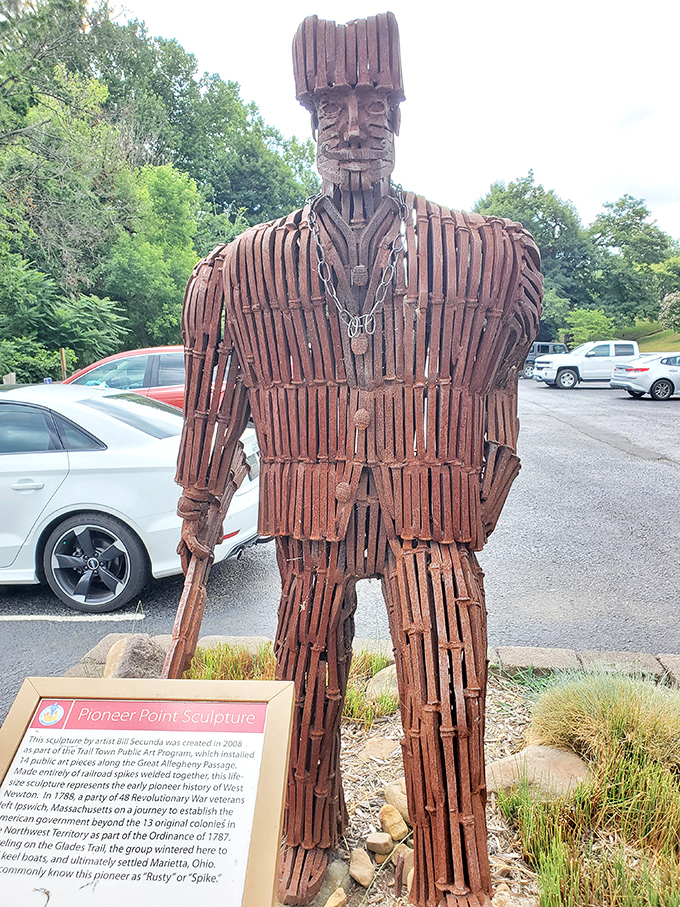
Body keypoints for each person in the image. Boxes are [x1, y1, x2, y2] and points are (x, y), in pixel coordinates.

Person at [163, 13, 542, 907]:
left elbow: (500, 385)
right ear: (308, 118)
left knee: (447, 682)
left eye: (373, 100)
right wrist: (199, 499)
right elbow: (218, 394)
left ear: (399, 112)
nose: (354, 122)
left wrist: (485, 490)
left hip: (432, 510)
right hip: (310, 510)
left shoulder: (484, 253)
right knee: (304, 675)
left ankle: (451, 865)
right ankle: (304, 832)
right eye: (332, 104)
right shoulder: (246, 267)